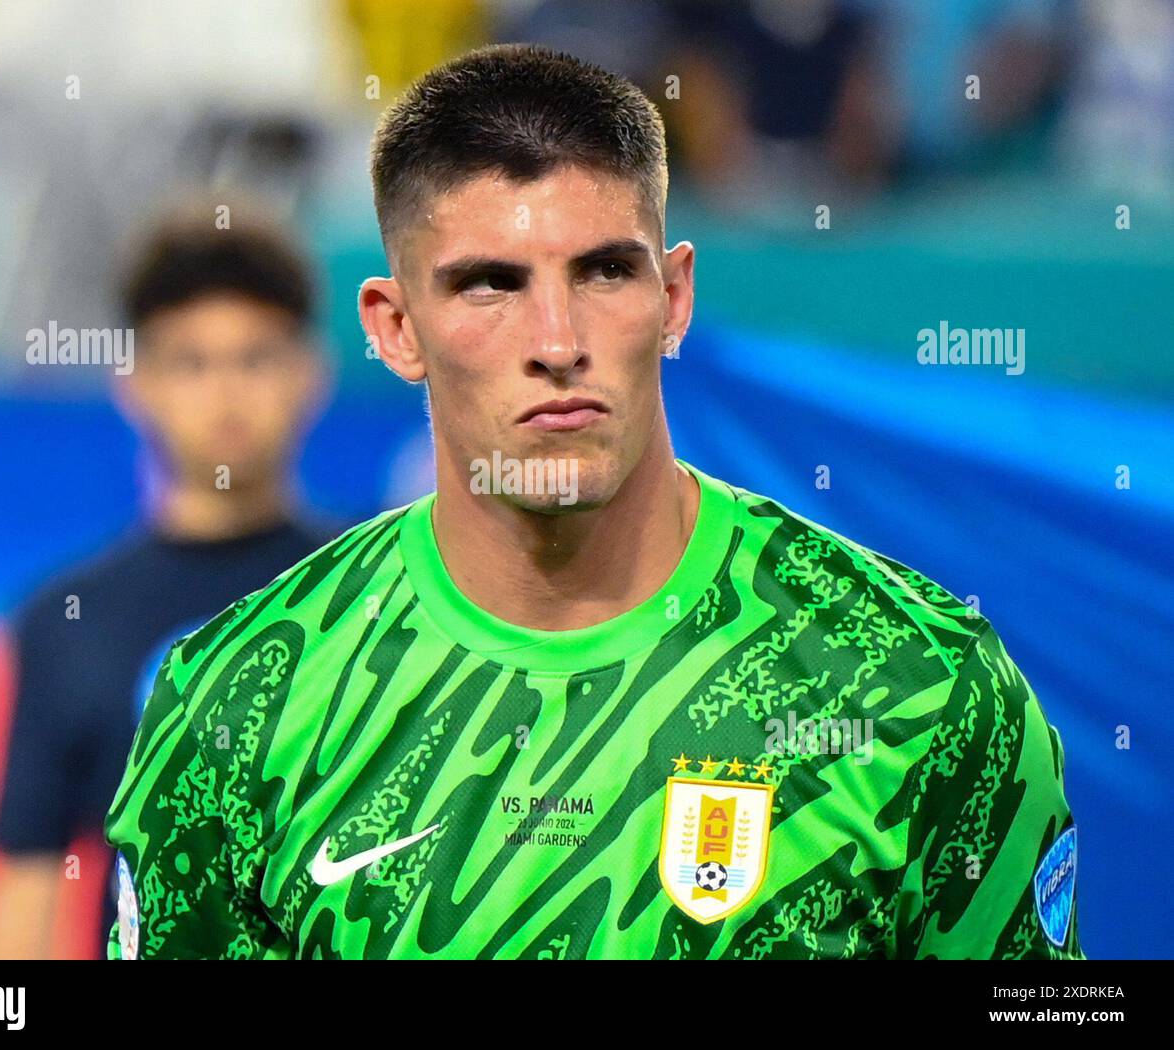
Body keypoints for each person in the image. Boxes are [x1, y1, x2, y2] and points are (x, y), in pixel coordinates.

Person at [104, 45, 1082, 960]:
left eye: (606, 271)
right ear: (395, 329)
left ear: (674, 295)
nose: (557, 338)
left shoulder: (919, 687)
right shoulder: (240, 705)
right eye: (490, 284)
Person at [0, 202, 338, 957]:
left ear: (311, 375)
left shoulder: (380, 587)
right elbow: (26, 900)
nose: (225, 393)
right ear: (134, 381)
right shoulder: (62, 621)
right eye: (191, 361)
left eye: (255, 358)